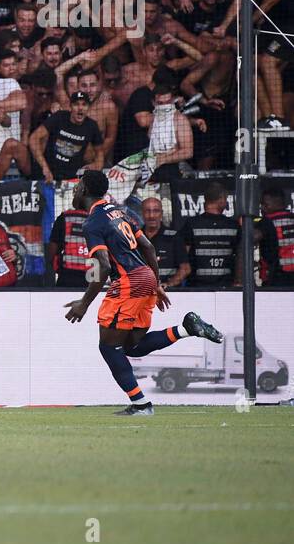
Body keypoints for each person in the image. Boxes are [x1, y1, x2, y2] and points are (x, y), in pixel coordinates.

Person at [63, 169, 223, 416]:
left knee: (108, 347)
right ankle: (186, 329)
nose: (74, 189)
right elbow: (147, 246)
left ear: (84, 190)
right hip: (145, 277)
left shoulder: (93, 222)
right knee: (131, 347)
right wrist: (155, 283)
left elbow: (104, 266)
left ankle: (141, 405)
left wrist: (84, 303)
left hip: (128, 282)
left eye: (77, 185)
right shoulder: (121, 212)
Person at [171, 181, 242, 288]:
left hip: (197, 287)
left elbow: (182, 255)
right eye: (226, 199)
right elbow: (241, 256)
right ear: (222, 199)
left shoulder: (192, 224)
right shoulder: (233, 225)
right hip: (226, 286)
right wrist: (238, 281)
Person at [258, 186, 294, 287]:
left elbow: (251, 239)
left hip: (277, 277)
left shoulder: (266, 222)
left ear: (276, 203)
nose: (262, 208)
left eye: (265, 205)